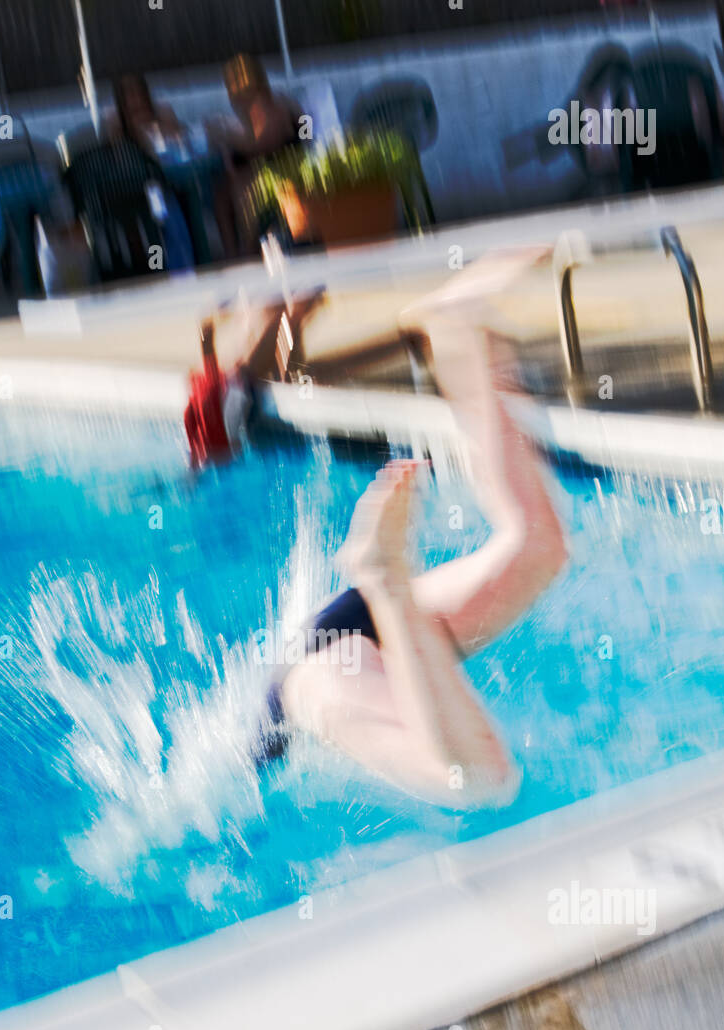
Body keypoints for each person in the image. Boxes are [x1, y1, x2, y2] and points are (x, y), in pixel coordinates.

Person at [253, 246, 569, 809]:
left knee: (482, 780)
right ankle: (385, 578)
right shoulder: (313, 698)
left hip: (334, 656)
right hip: (321, 671)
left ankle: (460, 328)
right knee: (477, 778)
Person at [184, 288, 324, 469]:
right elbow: (206, 338)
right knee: (287, 319)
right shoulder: (208, 436)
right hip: (229, 385)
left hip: (230, 387)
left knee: (286, 319)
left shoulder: (211, 444)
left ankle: (303, 295)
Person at [205, 54, 302, 257]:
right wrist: (226, 146)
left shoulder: (274, 105)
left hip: (284, 170)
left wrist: (225, 135)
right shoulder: (249, 109)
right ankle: (233, 254)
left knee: (241, 187)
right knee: (221, 192)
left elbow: (262, 143)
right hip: (263, 169)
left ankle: (247, 251)